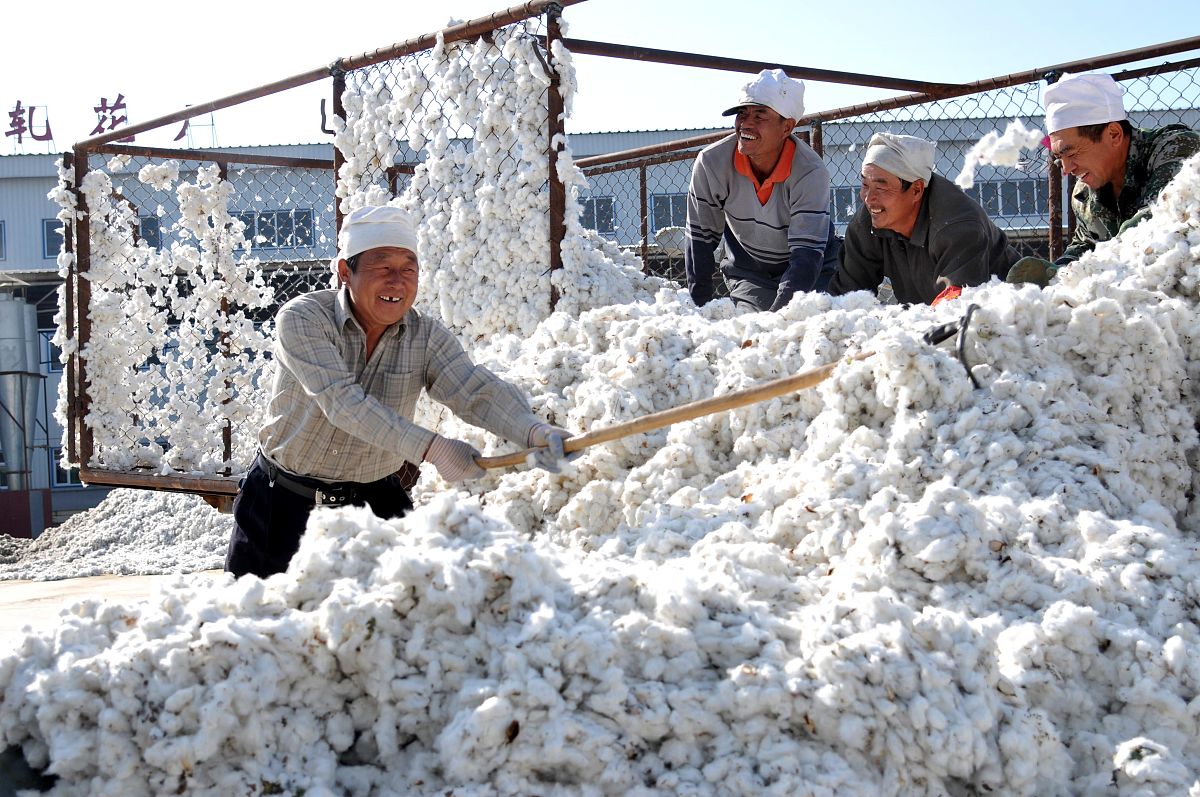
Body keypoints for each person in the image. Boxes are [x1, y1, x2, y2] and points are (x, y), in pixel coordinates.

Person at [225, 205, 572, 579]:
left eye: (409, 269)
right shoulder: (304, 318)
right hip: (283, 503)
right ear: (345, 272)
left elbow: (473, 390)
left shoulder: (425, 336)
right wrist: (433, 449)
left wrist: (532, 431)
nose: (397, 282)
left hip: (374, 501)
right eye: (382, 268)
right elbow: (342, 403)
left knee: (404, 606)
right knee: (257, 612)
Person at [1007, 72, 1200, 286]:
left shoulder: (1178, 149)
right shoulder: (1083, 195)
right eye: (1059, 158)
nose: (1066, 169)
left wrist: (1096, 264)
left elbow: (1159, 219)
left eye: (1071, 153)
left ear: (1114, 134)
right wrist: (1057, 272)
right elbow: (1085, 245)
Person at [684, 68, 840, 312]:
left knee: (813, 322)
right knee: (751, 325)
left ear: (787, 127)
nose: (746, 124)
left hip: (814, 269)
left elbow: (806, 256)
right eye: (742, 114)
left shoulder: (810, 171)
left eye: (760, 116)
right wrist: (699, 309)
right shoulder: (711, 162)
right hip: (750, 270)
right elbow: (699, 240)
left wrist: (780, 318)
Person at [828, 132, 1019, 305]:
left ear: (917, 190)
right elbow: (846, 300)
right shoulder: (866, 223)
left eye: (881, 187)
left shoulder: (957, 227)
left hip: (1009, 317)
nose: (868, 198)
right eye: (864, 185)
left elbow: (956, 309)